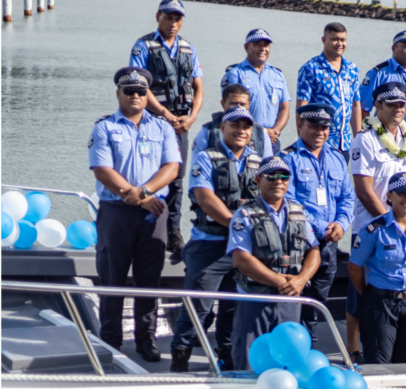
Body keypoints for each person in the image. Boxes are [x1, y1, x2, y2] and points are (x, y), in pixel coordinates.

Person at [88, 67, 181, 361]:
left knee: (148, 280)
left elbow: (172, 168)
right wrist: (138, 197)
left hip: (154, 212)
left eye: (141, 92)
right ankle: (110, 340)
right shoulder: (104, 128)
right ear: (118, 94)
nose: (135, 96)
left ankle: (146, 340)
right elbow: (103, 171)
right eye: (129, 91)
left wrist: (144, 193)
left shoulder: (163, 127)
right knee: (112, 277)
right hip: (116, 212)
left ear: (147, 95)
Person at [170, 106, 261, 372]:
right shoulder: (205, 158)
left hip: (243, 249)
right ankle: (179, 360)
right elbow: (205, 199)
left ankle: (227, 360)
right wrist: (239, 225)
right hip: (209, 245)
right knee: (198, 307)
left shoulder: (259, 161)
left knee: (233, 308)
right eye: (235, 125)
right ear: (223, 128)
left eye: (246, 126)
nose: (241, 131)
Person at [348, 82, 406, 364]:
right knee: (364, 295)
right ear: (377, 107)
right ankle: (354, 348)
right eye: (391, 104)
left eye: (402, 104)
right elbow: (364, 189)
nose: (397, 108)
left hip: (405, 227)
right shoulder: (365, 139)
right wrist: (391, 220)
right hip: (373, 225)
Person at [227, 157, 321, 370]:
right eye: (271, 175)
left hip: (290, 302)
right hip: (255, 301)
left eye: (284, 176)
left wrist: (301, 280)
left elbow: (314, 250)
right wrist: (281, 282)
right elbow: (241, 259)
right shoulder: (244, 215)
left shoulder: (299, 213)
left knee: (290, 364)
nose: (278, 181)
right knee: (249, 365)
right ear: (258, 180)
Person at [129, 0, 205, 258]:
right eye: (169, 17)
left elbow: (198, 88)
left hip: (181, 125)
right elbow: (140, 86)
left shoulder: (188, 47)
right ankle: (141, 226)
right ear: (158, 16)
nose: (174, 23)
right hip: (152, 122)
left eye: (178, 18)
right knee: (147, 173)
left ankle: (173, 230)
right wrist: (165, 114)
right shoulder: (143, 46)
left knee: (177, 178)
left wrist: (191, 118)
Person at [282, 103, 355, 336]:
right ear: (300, 125)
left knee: (318, 301)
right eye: (314, 126)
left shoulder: (336, 158)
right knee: (294, 300)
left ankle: (310, 344)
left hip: (329, 244)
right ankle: (291, 349)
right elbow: (288, 201)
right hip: (299, 242)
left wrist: (342, 224)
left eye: (325, 127)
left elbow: (347, 196)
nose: (320, 131)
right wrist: (322, 226)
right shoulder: (287, 158)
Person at [348, 173, 406, 364]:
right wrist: (368, 295)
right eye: (403, 193)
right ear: (390, 196)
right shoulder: (375, 229)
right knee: (379, 363)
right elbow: (354, 268)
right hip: (381, 303)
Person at [360, 30, 406, 151]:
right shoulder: (379, 73)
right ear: (394, 48)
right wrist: (365, 134)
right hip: (385, 138)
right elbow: (363, 107)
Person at [296, 22, 362, 155]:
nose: (339, 43)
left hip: (345, 144)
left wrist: (359, 140)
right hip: (320, 143)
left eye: (343, 40)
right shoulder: (311, 68)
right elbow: (301, 108)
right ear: (324, 40)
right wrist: (302, 142)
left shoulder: (352, 69)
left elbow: (355, 106)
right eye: (335, 39)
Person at [221, 29, 290, 151]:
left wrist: (275, 131)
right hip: (245, 138)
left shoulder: (278, 75)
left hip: (272, 140)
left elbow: (284, 108)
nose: (263, 48)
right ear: (247, 47)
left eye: (266, 45)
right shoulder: (235, 74)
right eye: (257, 44)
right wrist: (262, 131)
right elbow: (232, 108)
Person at [192, 84, 273, 159]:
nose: (238, 107)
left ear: (249, 105)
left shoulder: (261, 135)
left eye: (243, 104)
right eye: (234, 104)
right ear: (223, 104)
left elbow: (267, 170)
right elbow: (197, 164)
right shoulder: (207, 132)